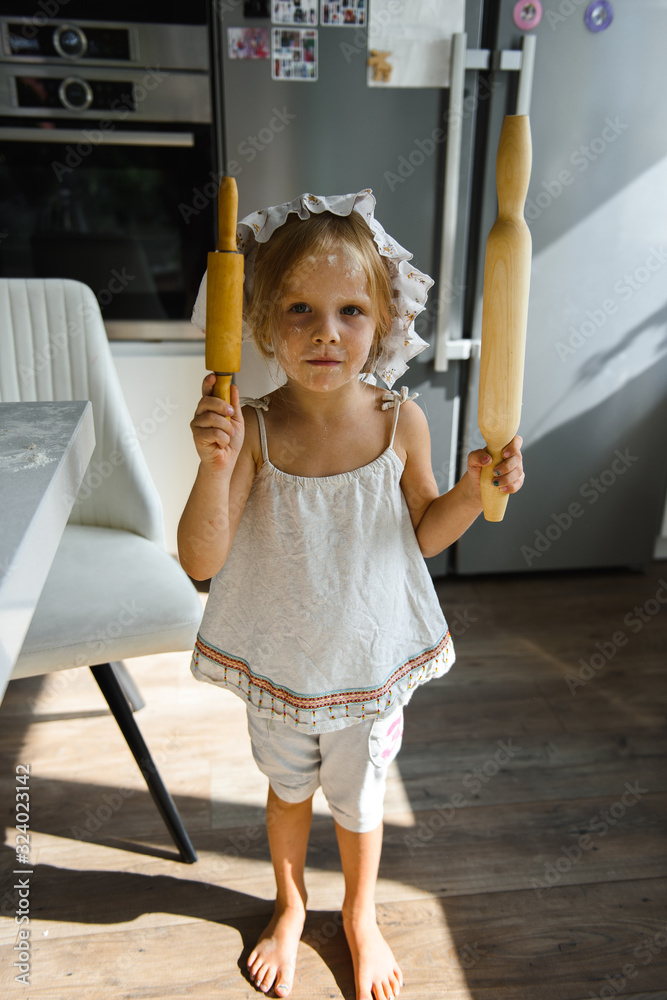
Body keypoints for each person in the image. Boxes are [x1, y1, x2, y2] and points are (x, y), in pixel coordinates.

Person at [178, 190, 524, 1000]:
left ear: (384, 322)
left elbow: (425, 531)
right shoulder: (251, 430)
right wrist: (212, 466)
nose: (324, 331)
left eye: (348, 310)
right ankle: (291, 903)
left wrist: (475, 491)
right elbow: (200, 561)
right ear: (262, 322)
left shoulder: (401, 422)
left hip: (367, 665)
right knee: (288, 791)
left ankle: (360, 912)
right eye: (297, 308)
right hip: (282, 665)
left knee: (360, 801)